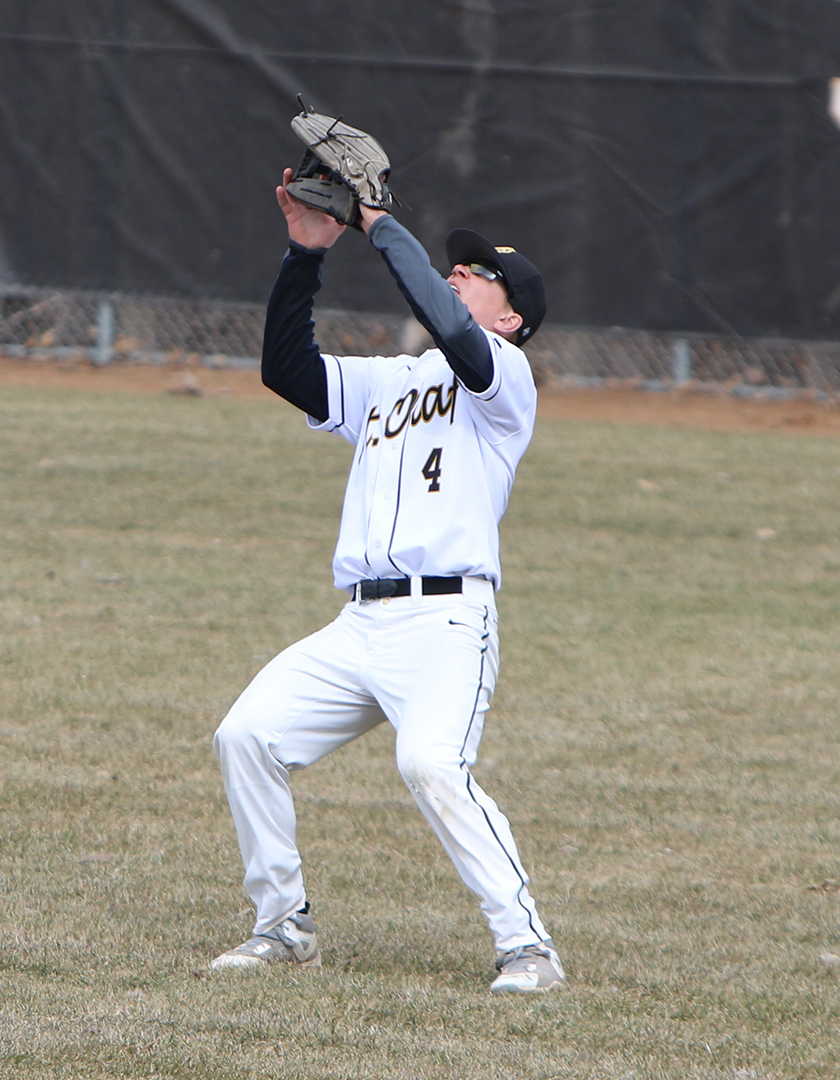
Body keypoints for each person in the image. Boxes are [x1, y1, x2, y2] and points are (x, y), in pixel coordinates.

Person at [206, 169, 562, 994]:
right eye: (458, 267)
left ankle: (527, 947)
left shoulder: (504, 380)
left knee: (432, 766)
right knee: (245, 736)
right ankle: (282, 927)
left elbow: (451, 327)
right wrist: (304, 255)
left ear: (510, 317)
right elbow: (286, 368)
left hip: (445, 626)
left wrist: (377, 222)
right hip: (359, 628)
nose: (459, 275)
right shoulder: (391, 382)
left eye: (479, 274)